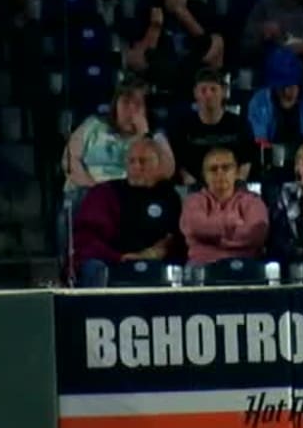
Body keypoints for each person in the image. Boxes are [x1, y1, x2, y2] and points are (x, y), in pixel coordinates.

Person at [70, 137, 181, 286]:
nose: (136, 166)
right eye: (131, 161)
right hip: (114, 263)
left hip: (159, 266)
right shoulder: (104, 193)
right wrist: (120, 257)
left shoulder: (170, 195)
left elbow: (178, 235)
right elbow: (85, 239)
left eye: (143, 161)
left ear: (159, 164)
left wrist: (159, 250)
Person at [121, 0, 224, 98]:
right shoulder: (149, 9)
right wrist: (155, 27)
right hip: (157, 77)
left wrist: (184, 15)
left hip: (193, 77)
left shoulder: (200, 11)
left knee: (218, 41)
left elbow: (210, 50)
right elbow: (137, 60)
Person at [63, 76, 175, 189]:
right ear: (115, 105)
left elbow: (166, 172)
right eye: (125, 102)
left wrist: (144, 137)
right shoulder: (92, 126)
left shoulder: (155, 137)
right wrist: (95, 190)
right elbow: (69, 161)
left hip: (129, 197)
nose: (131, 109)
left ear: (147, 109)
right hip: (86, 193)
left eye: (137, 104)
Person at [179, 146, 268, 265]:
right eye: (213, 169)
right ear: (204, 175)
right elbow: (195, 228)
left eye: (226, 168)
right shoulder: (193, 201)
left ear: (236, 172)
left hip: (245, 267)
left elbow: (256, 234)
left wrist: (210, 239)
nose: (220, 173)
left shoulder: (253, 201)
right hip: (203, 268)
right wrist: (233, 223)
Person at [167, 68, 254, 188]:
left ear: (223, 92)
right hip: (195, 187)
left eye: (213, 89)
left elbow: (247, 159)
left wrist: (237, 182)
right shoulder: (183, 126)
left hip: (231, 187)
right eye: (203, 90)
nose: (208, 95)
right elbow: (179, 164)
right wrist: (193, 185)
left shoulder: (240, 124)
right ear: (195, 93)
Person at [247, 47, 303, 146]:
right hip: (270, 155)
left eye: (290, 85)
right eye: (281, 86)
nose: (286, 92)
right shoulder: (259, 101)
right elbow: (259, 141)